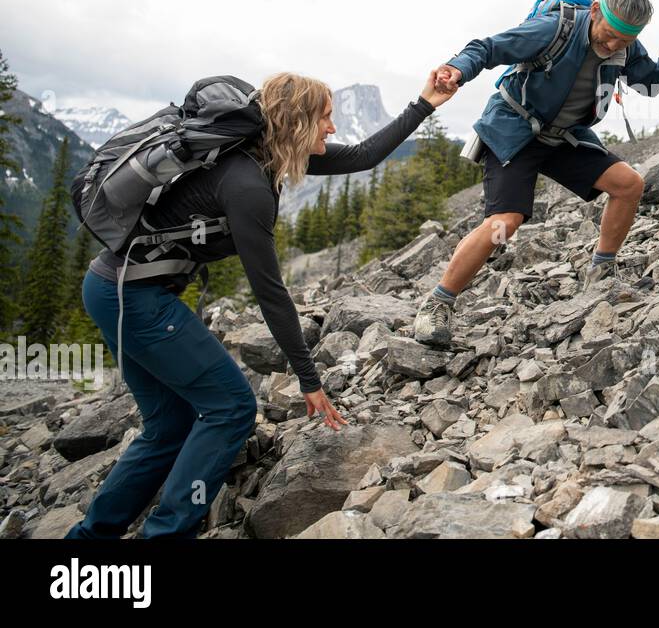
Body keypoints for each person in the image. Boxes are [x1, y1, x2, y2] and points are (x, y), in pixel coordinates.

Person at [66, 70, 453, 539]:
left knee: (168, 425)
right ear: (295, 122)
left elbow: (364, 155)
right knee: (231, 407)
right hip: (134, 298)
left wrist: (426, 101)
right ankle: (166, 533)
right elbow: (270, 293)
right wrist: (309, 380)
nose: (332, 129)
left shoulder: (263, 156)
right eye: (325, 118)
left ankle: (89, 539)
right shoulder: (246, 183)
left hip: (114, 289)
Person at [421, 0, 659, 349]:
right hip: (514, 129)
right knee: (504, 224)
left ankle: (602, 272)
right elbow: (489, 48)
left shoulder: (624, 47)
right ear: (595, 11)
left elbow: (650, 83)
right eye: (611, 34)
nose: (614, 45)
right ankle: (438, 303)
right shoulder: (554, 29)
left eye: (625, 40)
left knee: (628, 185)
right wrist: (458, 68)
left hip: (564, 137)